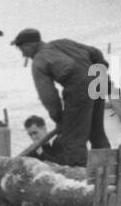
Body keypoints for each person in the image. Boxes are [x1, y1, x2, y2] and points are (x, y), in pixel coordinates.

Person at [12, 28, 110, 167]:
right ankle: (107, 173)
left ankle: (79, 178)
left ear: (30, 45)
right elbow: (95, 52)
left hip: (79, 88)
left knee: (73, 139)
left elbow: (49, 96)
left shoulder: (39, 61)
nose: (23, 54)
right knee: (97, 132)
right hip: (99, 81)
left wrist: (60, 119)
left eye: (22, 49)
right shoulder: (63, 43)